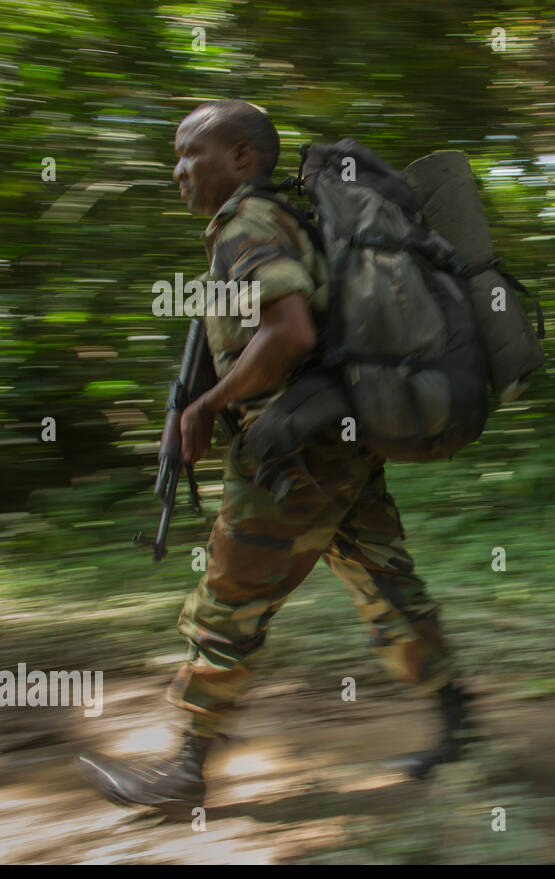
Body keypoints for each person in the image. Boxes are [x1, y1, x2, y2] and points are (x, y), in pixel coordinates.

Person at [79, 99, 471, 820]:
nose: (177, 171)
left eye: (189, 153)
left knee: (227, 600)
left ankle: (187, 766)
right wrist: (196, 400)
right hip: (337, 442)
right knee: (385, 580)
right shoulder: (278, 220)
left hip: (291, 452)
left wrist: (204, 408)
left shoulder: (247, 223)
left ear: (240, 158)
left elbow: (286, 331)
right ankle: (460, 723)